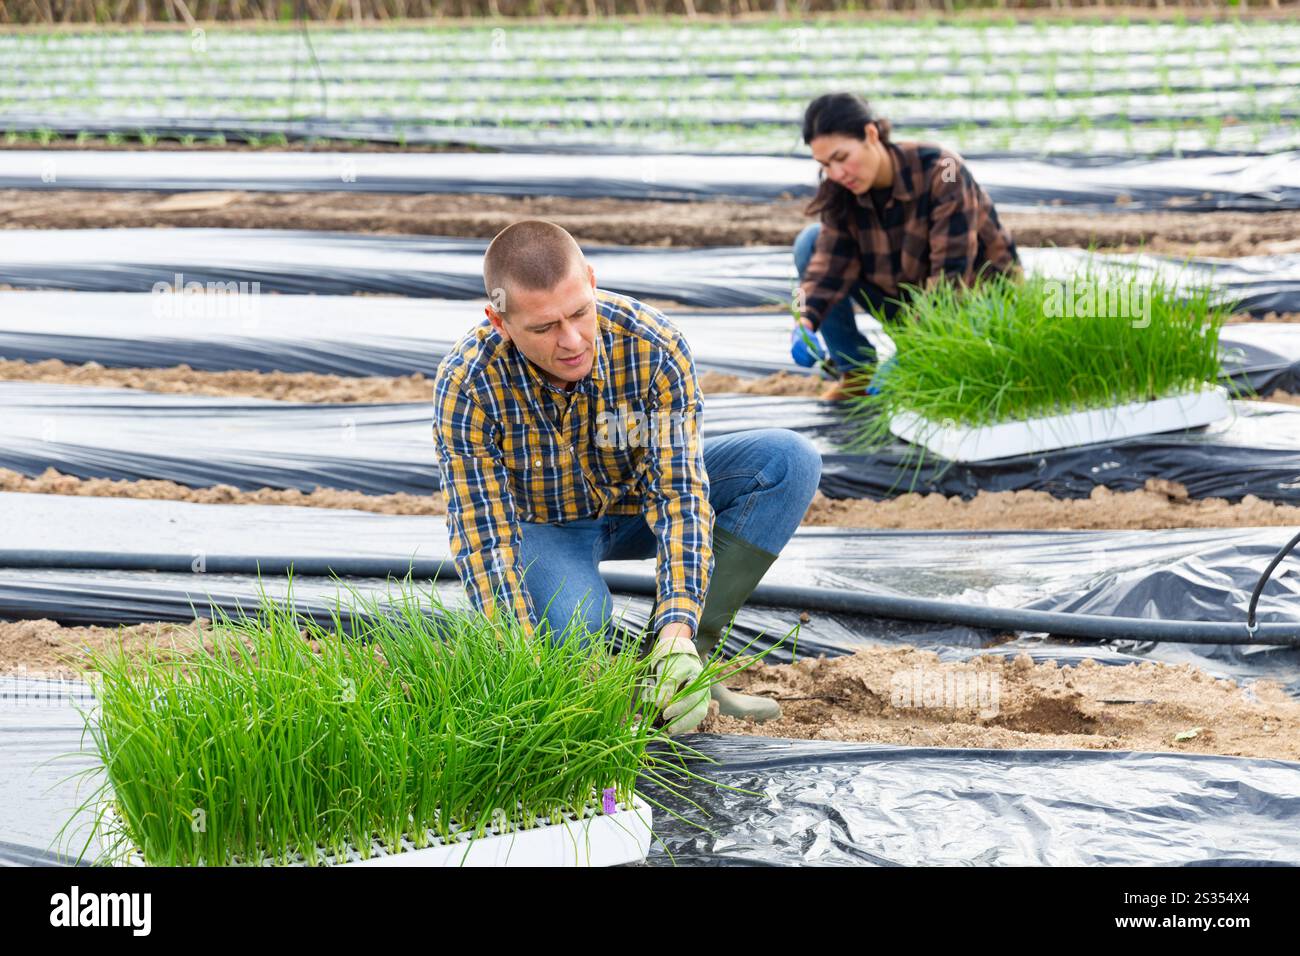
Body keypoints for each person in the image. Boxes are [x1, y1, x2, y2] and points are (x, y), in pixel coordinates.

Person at [432, 220, 821, 734]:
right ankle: (562, 669)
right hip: (549, 530)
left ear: (591, 280)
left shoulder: (652, 347)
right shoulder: (469, 384)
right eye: (544, 328)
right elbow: (483, 537)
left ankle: (677, 670)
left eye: (579, 313)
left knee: (788, 462)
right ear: (499, 322)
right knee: (576, 624)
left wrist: (677, 627)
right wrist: (522, 667)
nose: (571, 340)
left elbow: (679, 494)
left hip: (638, 507)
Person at [794, 92, 1020, 399]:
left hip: (977, 301)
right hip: (909, 301)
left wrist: (913, 349)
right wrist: (803, 321)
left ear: (871, 134)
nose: (836, 174)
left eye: (842, 158)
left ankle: (925, 353)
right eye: (824, 165)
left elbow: (951, 276)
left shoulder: (945, 169)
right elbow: (826, 266)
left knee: (961, 375)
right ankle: (857, 371)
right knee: (810, 241)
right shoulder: (840, 186)